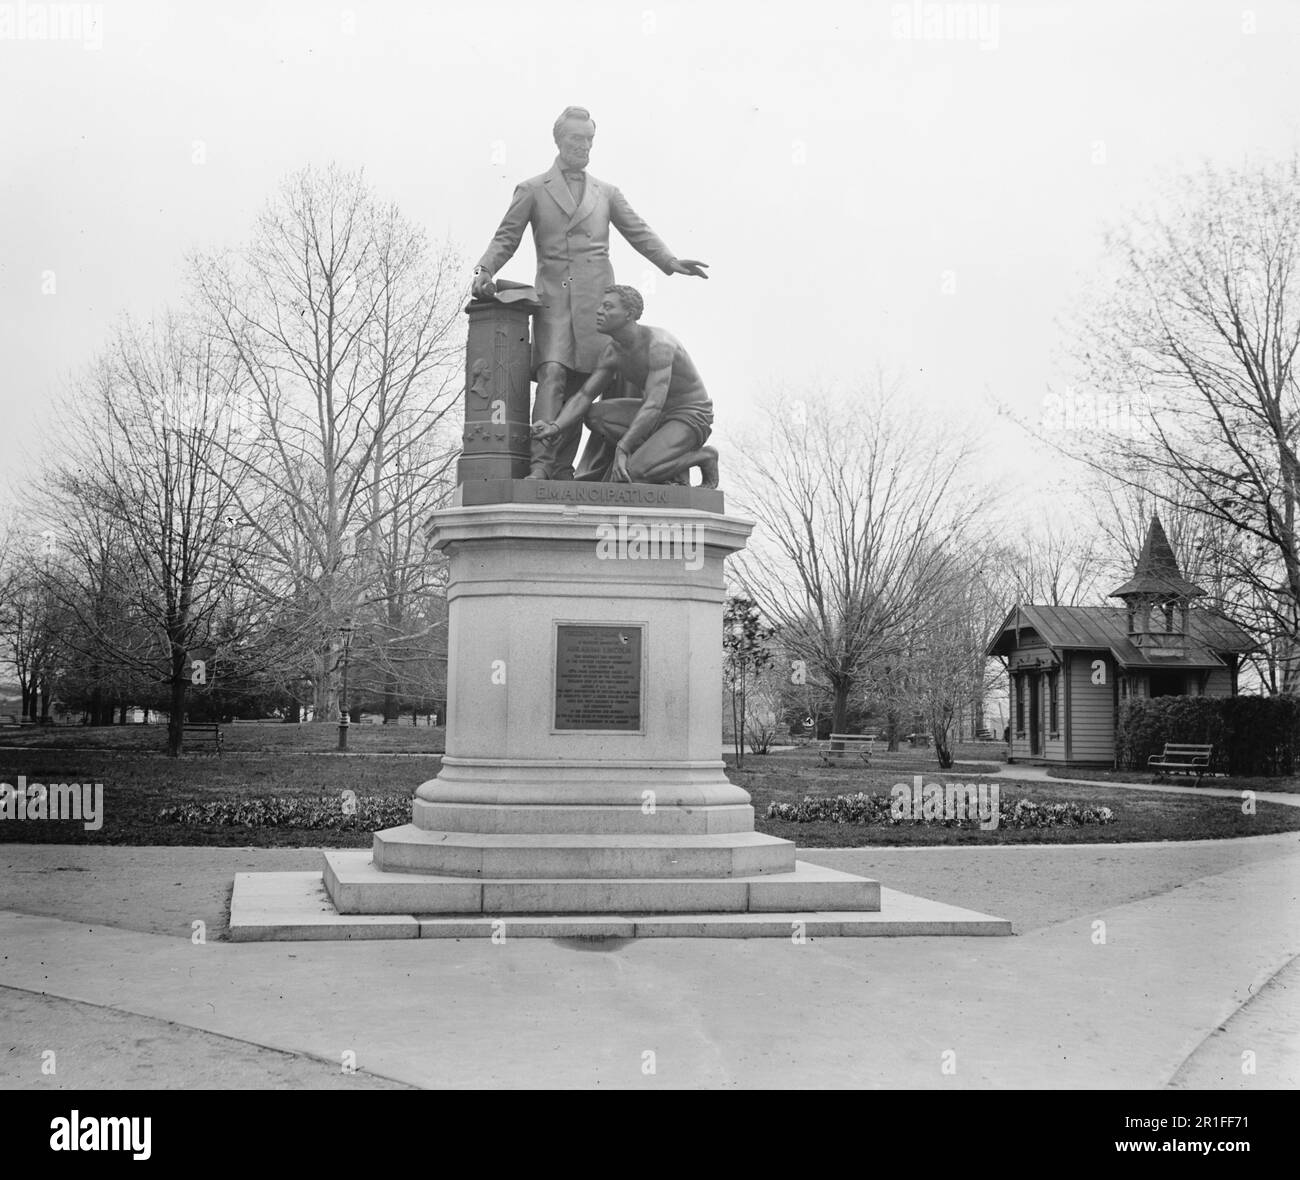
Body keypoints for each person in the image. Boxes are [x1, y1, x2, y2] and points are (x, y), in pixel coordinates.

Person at [473, 106, 708, 480]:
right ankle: (541, 466)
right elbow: (507, 237)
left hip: (602, 305)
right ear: (559, 141)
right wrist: (485, 268)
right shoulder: (533, 189)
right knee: (553, 376)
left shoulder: (606, 192)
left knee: (596, 386)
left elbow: (638, 231)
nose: (583, 146)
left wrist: (669, 261)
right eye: (575, 139)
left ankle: (593, 470)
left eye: (588, 140)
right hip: (555, 302)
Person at [531, 285, 718, 487]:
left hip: (688, 415)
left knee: (634, 473)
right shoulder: (613, 352)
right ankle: (657, 456)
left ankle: (703, 457)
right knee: (594, 415)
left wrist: (623, 447)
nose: (599, 311)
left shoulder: (659, 345)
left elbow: (653, 405)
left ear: (629, 314)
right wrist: (555, 426)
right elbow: (585, 395)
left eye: (608, 307)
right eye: (601, 306)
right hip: (655, 415)